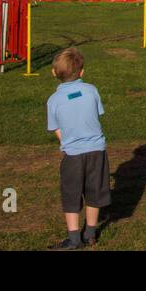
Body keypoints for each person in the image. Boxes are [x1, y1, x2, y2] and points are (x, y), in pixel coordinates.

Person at [46, 47, 109, 250]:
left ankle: (74, 238)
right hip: (97, 151)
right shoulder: (92, 90)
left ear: (54, 73)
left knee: (71, 194)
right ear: (82, 72)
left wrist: (68, 142)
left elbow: (55, 128)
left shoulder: (53, 100)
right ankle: (90, 233)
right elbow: (96, 114)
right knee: (94, 192)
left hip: (72, 155)